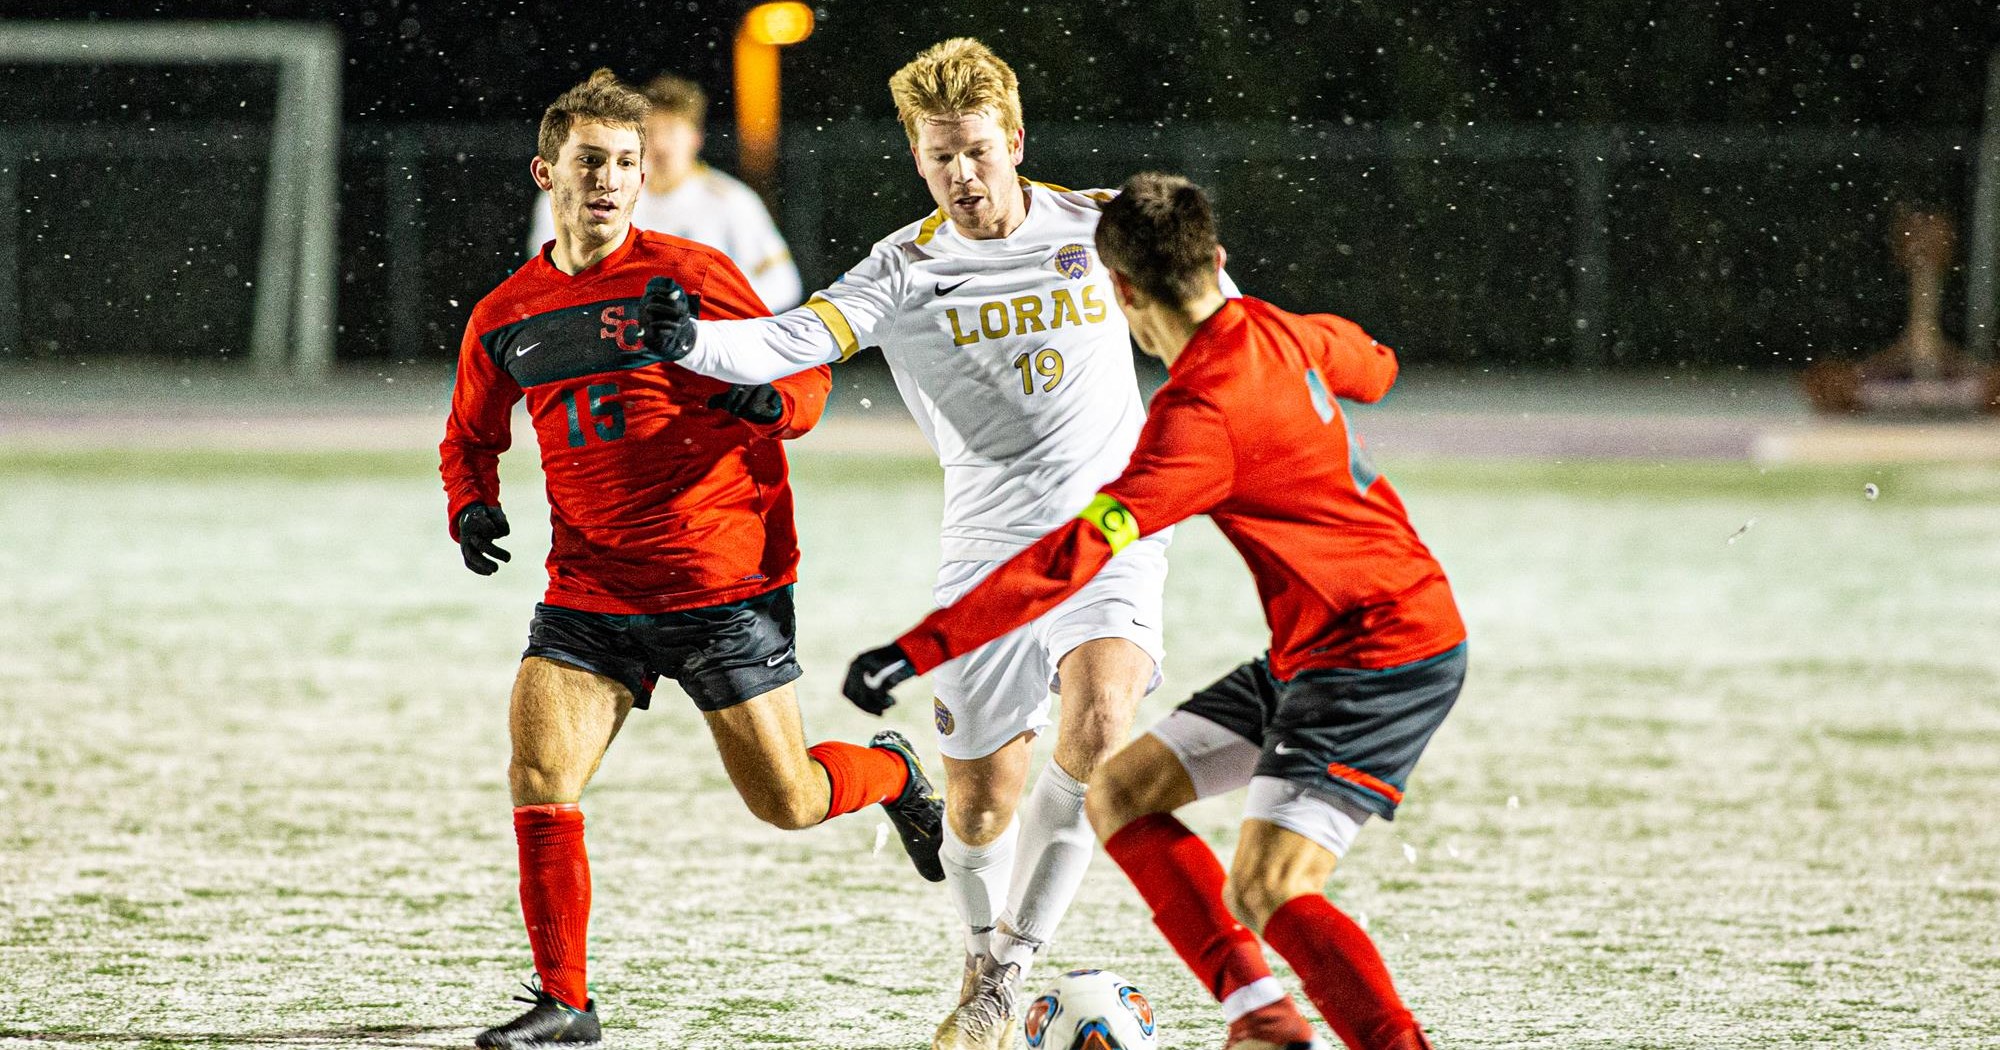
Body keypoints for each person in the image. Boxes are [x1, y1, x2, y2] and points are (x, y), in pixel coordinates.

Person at [637, 38, 1237, 1050]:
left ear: (1012, 138)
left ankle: (1004, 977)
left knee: (1097, 726)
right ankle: (976, 946)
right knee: (980, 802)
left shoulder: (1096, 224)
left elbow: (1208, 301)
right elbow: (791, 338)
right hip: (988, 554)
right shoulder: (905, 268)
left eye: (972, 151)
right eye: (936, 157)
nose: (959, 175)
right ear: (916, 158)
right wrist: (687, 341)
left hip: (1110, 531)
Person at [843, 173, 1466, 1050]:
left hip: (1379, 655)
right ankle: (1261, 1017)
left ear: (1122, 292)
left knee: (1272, 886)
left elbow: (1069, 559)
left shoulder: (1195, 419)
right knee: (1121, 792)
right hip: (1321, 645)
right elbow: (1374, 362)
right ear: (1217, 260)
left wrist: (919, 647)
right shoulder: (1281, 333)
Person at [442, 69, 944, 1050]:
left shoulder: (689, 272)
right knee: (540, 776)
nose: (611, 181)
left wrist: (771, 404)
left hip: (723, 587)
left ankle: (890, 777)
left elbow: (800, 368)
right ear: (546, 171)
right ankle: (565, 1003)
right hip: (588, 593)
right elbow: (469, 434)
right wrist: (472, 506)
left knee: (789, 799)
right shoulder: (506, 311)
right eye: (590, 162)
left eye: (626, 164)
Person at [527, 72, 803, 311]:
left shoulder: (730, 201)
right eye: (651, 132)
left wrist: (706, 313)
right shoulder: (596, 192)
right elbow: (546, 273)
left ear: (696, 139)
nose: (660, 144)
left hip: (701, 352)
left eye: (671, 131)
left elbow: (782, 284)